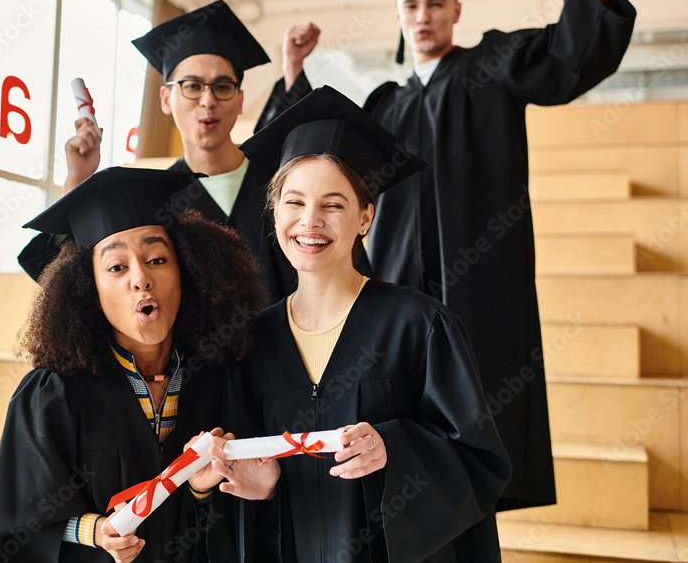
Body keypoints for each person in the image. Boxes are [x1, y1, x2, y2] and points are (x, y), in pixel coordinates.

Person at [254, 0, 637, 511]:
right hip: (400, 293)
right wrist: (291, 69)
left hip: (487, 291)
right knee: (402, 435)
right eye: (411, 5)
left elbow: (571, 53)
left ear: (457, 9)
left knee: (479, 436)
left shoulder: (492, 68)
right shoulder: (383, 107)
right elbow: (309, 151)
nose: (423, 16)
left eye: (436, 3)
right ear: (398, 13)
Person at [210, 86, 512, 562]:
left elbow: (479, 461)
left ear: (365, 216)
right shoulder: (254, 343)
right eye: (294, 202)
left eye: (333, 204)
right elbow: (250, 497)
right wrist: (262, 489)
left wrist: (394, 449)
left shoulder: (419, 326)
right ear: (274, 210)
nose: (310, 222)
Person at [0, 167, 264, 562]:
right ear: (90, 293)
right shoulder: (53, 394)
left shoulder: (219, 375)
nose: (141, 279)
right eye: (117, 267)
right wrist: (95, 531)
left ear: (187, 272)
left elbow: (246, 527)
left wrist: (201, 488)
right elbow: (7, 536)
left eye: (157, 259)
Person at [19, 0, 295, 303]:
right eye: (191, 86)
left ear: (239, 99)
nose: (207, 100)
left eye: (222, 86)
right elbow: (74, 280)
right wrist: (77, 185)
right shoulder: (152, 198)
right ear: (166, 98)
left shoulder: (281, 185)